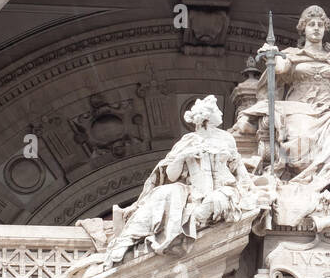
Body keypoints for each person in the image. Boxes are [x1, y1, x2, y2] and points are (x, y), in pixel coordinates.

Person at [239, 5, 330, 193]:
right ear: (303, 28)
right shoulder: (292, 55)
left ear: (325, 28)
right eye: (311, 24)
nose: (316, 27)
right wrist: (272, 55)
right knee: (303, 136)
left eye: (320, 24)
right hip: (299, 108)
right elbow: (280, 69)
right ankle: (312, 178)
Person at [102, 95, 253, 269]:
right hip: (193, 192)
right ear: (207, 117)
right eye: (217, 110)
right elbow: (171, 175)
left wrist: (249, 188)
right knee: (162, 194)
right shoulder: (187, 141)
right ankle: (126, 242)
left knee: (217, 200)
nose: (221, 113)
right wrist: (182, 156)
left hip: (224, 189)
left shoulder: (227, 139)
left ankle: (183, 232)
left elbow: (238, 167)